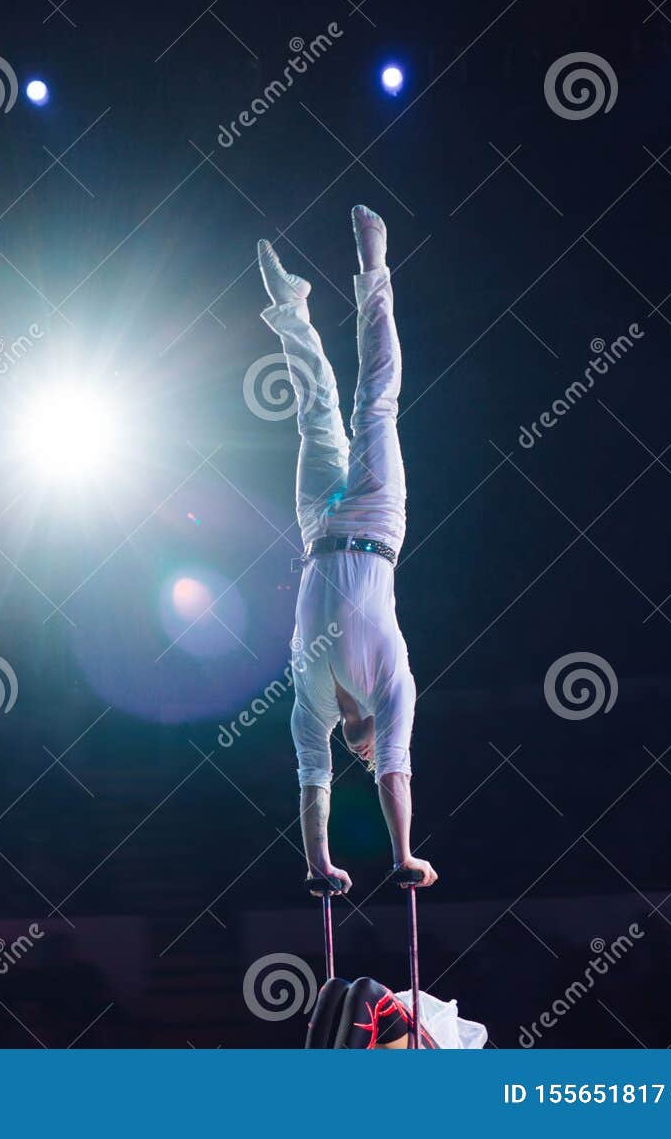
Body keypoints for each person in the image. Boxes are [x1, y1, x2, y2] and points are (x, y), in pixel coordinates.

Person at [256, 206, 437, 898]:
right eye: (367, 754)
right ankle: (373, 268)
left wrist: (319, 864)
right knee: (376, 404)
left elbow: (311, 786)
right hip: (377, 524)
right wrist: (403, 856)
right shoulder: (394, 693)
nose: (365, 757)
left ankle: (290, 304)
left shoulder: (311, 709)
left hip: (316, 526)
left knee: (313, 405)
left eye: (356, 755)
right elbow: (398, 770)